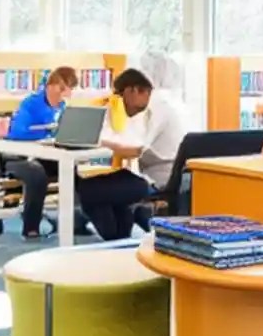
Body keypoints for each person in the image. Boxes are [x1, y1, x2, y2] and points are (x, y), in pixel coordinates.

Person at [78, 68, 188, 240]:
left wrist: (96, 141)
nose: (120, 107)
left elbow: (135, 149)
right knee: (99, 188)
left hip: (163, 177)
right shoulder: (144, 108)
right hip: (147, 173)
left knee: (88, 190)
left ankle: (122, 229)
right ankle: (119, 234)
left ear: (132, 91)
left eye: (120, 100)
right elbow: (122, 140)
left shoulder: (157, 110)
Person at [3, 66, 77, 239]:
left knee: (70, 167)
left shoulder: (62, 107)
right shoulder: (30, 103)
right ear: (51, 85)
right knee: (36, 175)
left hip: (45, 154)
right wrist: (45, 131)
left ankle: (75, 221)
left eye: (69, 90)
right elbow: (18, 133)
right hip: (17, 156)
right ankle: (31, 226)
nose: (64, 95)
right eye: (62, 89)